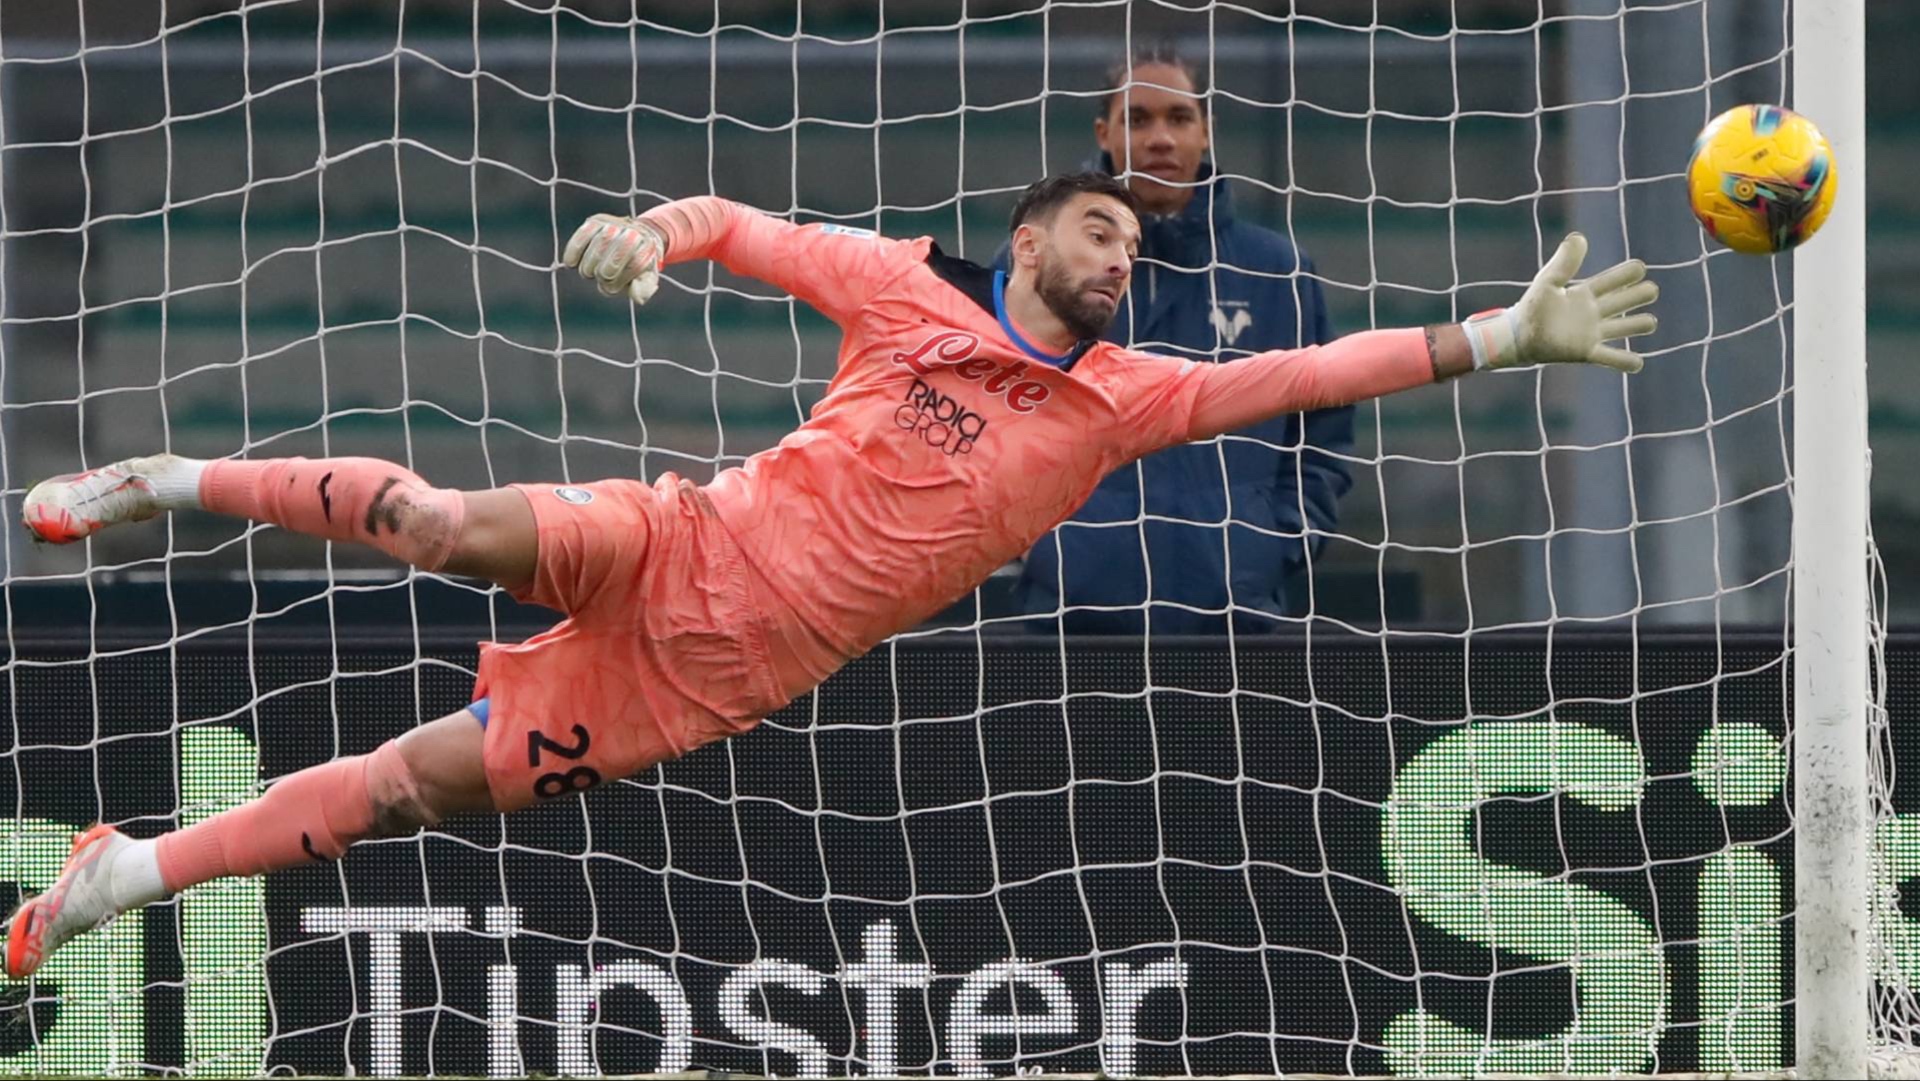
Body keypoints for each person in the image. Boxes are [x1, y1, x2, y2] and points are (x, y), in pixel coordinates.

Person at [4, 172, 1657, 978]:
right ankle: (170, 475)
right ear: (1028, 240)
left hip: (703, 680)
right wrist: (656, 236)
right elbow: (736, 223)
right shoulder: (903, 291)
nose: (1122, 256)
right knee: (442, 525)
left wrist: (1501, 334)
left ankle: (127, 874)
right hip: (684, 535)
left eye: (1136, 250)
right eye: (1098, 230)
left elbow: (1315, 374)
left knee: (413, 789)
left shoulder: (1122, 404)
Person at [1007, 43, 1352, 634]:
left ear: (1206, 132)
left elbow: (1322, 438)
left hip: (1237, 623)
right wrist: (1046, 550)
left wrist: (1272, 549)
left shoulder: (1278, 272)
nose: (1159, 138)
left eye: (1178, 118)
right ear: (1104, 134)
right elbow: (991, 419)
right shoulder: (1041, 263)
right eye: (1137, 119)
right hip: (1068, 622)